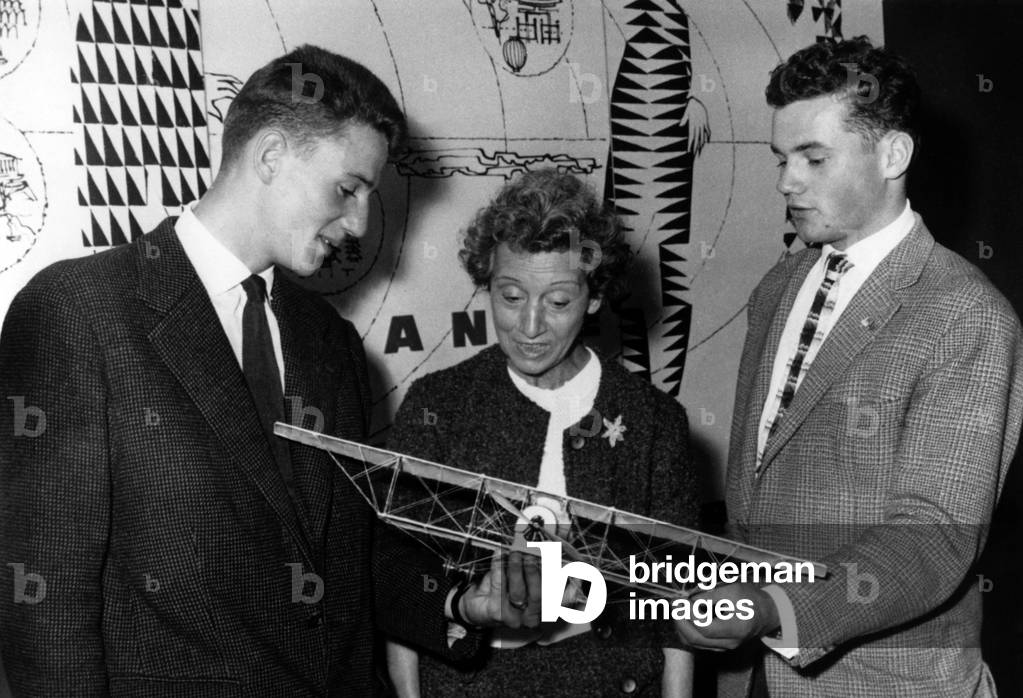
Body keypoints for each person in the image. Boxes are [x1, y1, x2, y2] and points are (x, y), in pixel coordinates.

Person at [0, 45, 539, 697]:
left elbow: (343, 547)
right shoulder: (80, 312)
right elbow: (45, 610)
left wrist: (457, 602)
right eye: (347, 189)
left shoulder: (330, 340)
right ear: (271, 155)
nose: (360, 224)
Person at [671, 36, 1023, 696]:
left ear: (892, 155)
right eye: (781, 159)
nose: (786, 181)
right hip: (762, 673)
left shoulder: (965, 314)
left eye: (813, 157)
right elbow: (757, 492)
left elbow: (933, 540)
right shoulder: (777, 289)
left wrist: (775, 608)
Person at [383, 169, 701, 697]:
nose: (530, 327)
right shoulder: (438, 404)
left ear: (594, 297)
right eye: (510, 297)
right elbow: (399, 578)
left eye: (557, 302)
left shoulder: (652, 419)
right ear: (488, 283)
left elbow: (676, 595)